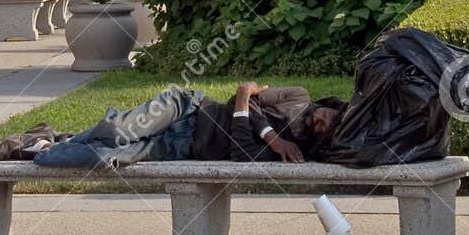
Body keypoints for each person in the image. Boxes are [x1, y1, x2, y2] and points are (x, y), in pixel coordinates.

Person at [33, 82, 348, 170]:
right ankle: (61, 139)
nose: (320, 121)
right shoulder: (298, 96)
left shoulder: (291, 152)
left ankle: (44, 147)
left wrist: (247, 109)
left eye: (324, 129)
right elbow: (241, 95)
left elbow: (240, 153)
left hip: (182, 147)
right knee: (117, 132)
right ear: (330, 107)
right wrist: (269, 136)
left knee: (105, 158)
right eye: (328, 117)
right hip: (187, 108)